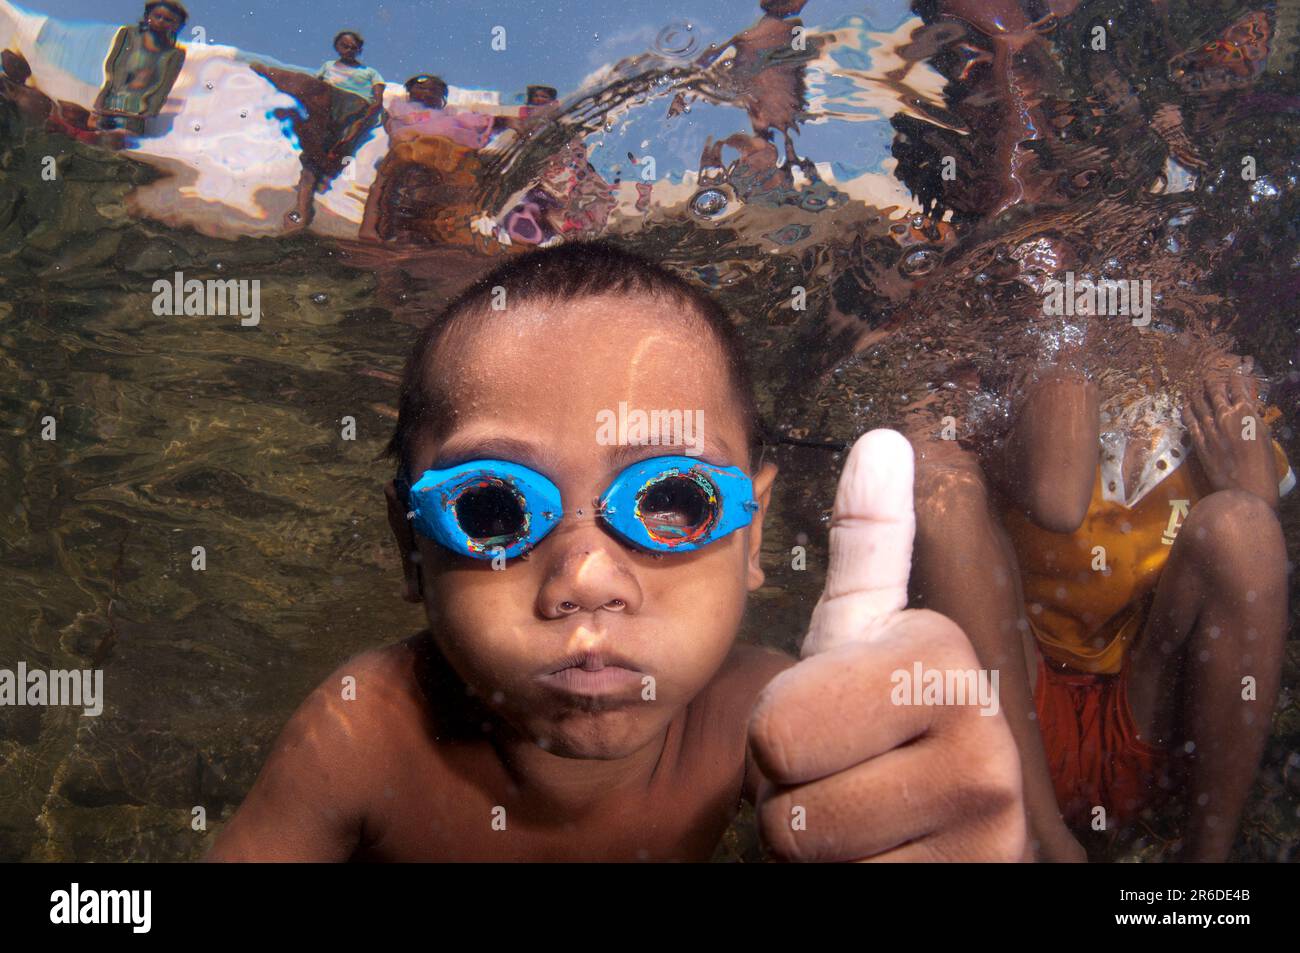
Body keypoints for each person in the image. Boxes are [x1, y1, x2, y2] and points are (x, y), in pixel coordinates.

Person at [205, 241, 1025, 862]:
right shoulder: (365, 732)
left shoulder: (777, 721)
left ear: (753, 533)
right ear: (411, 550)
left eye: (671, 500)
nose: (587, 581)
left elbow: (889, 811)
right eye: (494, 506)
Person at [910, 352, 1291, 861]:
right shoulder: (992, 380)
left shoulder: (1214, 393)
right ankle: (1040, 838)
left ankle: (1208, 865)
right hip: (1011, 720)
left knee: (1243, 524)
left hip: (1149, 715)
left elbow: (1261, 570)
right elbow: (954, 478)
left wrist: (1258, 495)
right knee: (943, 491)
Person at [255, 30, 385, 231]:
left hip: (353, 106)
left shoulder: (370, 72)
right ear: (337, 47)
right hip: (327, 105)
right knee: (313, 147)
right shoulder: (328, 67)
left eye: (353, 47)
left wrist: (366, 117)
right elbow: (314, 87)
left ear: (359, 49)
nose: (349, 50)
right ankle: (301, 209)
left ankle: (304, 203)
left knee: (325, 147)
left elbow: (377, 100)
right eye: (344, 45)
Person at [358, 74, 495, 243]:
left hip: (440, 159)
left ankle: (429, 231)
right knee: (382, 186)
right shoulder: (400, 108)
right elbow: (397, 129)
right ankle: (370, 228)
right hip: (404, 155)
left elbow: (462, 125)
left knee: (442, 193)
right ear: (409, 91)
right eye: (421, 87)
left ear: (442, 97)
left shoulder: (447, 114)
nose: (427, 92)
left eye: (433, 90)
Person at [91, 1, 188, 135]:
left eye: (168, 19)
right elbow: (113, 67)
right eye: (157, 16)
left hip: (139, 111)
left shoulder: (175, 54)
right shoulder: (128, 35)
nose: (161, 21)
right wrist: (101, 100)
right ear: (148, 15)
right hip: (111, 102)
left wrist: (150, 112)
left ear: (177, 25)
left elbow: (165, 86)